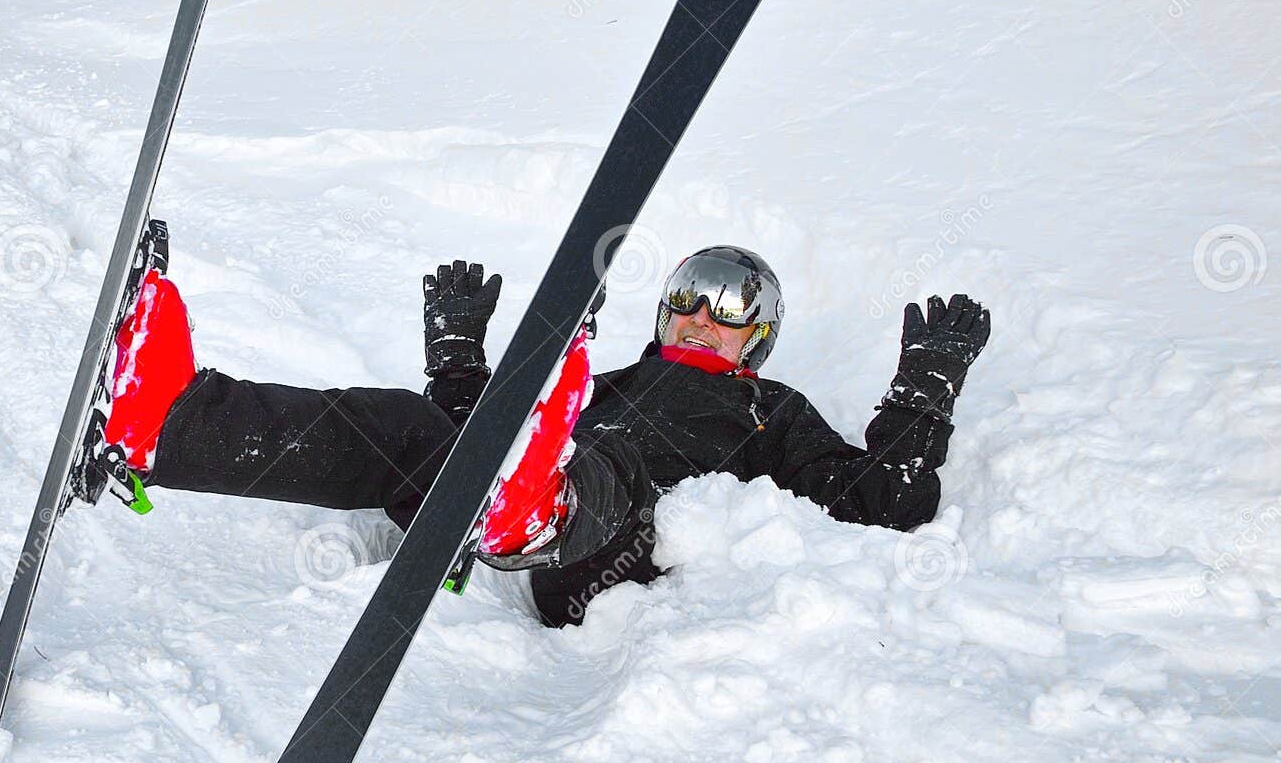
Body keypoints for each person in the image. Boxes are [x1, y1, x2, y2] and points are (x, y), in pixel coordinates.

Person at [102, 242, 990, 626]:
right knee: (410, 428)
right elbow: (468, 444)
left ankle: (537, 507)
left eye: (724, 306)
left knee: (602, 465)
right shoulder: (604, 384)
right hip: (523, 509)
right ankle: (172, 426)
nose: (696, 316)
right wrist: (457, 363)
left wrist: (923, 398)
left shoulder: (770, 411)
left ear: (757, 335)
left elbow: (887, 503)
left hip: (612, 556)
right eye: (684, 295)